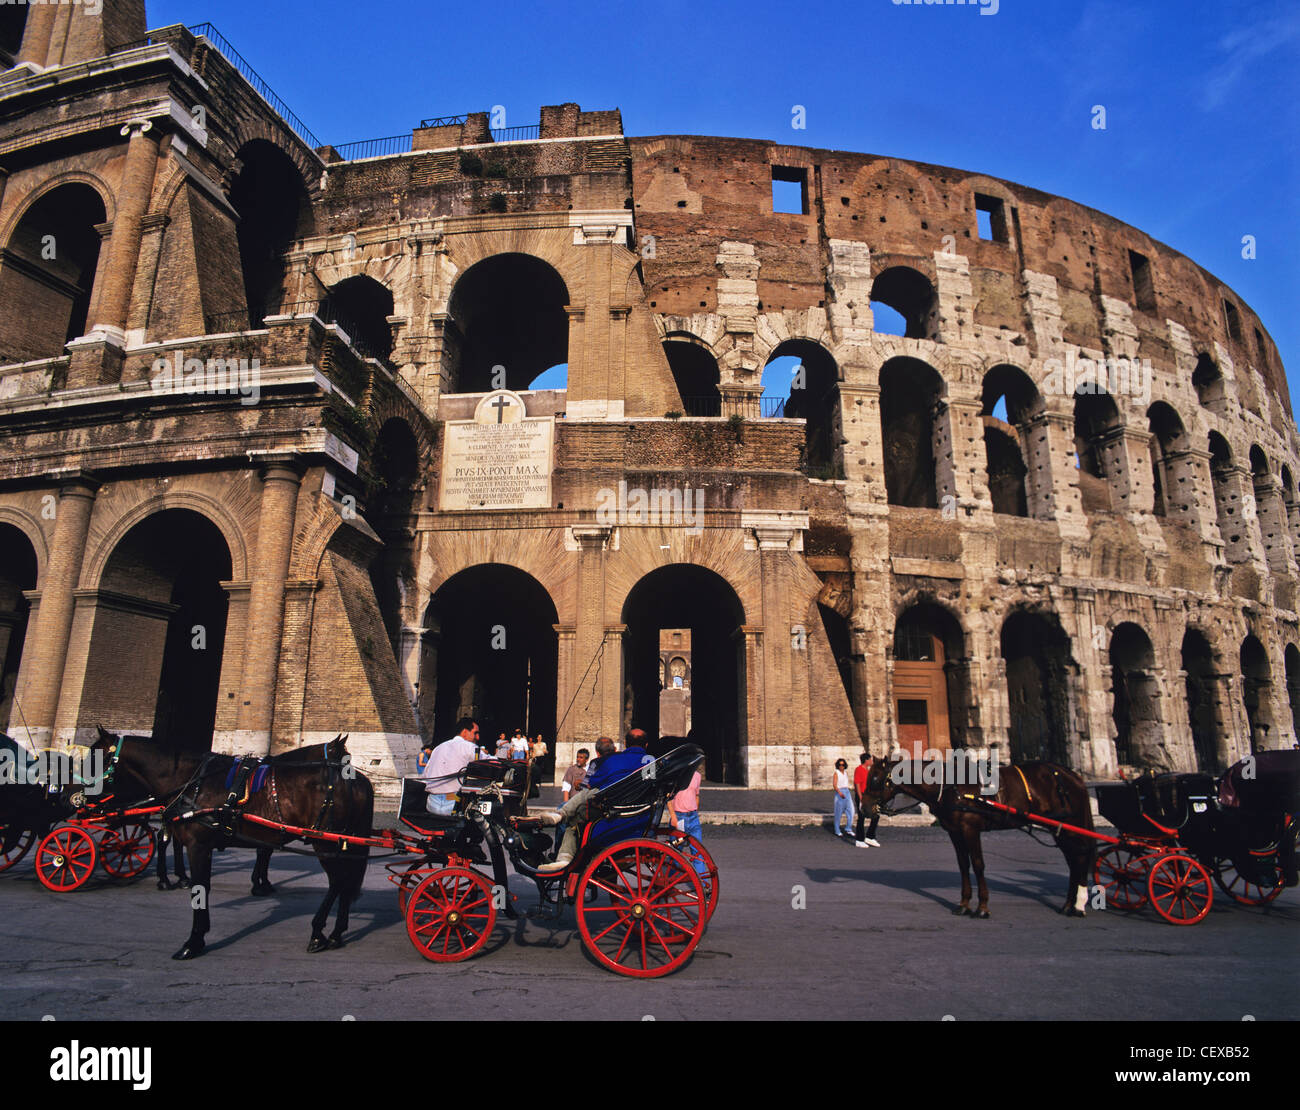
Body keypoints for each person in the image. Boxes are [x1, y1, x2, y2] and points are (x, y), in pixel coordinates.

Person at [534, 731, 652, 871]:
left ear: (625, 744)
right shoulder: (649, 760)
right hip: (641, 815)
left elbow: (592, 783)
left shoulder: (614, 760)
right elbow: (651, 783)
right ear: (646, 745)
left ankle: (564, 855)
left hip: (613, 814)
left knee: (577, 817)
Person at [420, 717, 480, 816]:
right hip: (453, 800)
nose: (478, 737)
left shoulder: (438, 748)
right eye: (475, 733)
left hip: (432, 803)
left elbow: (425, 776)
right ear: (465, 732)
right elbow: (492, 762)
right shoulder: (470, 747)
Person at [667, 761, 707, 876]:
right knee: (675, 851)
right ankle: (669, 881)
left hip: (693, 817)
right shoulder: (676, 776)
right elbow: (668, 798)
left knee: (698, 851)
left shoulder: (697, 776)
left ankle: (703, 885)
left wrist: (695, 811)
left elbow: (696, 795)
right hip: (679, 817)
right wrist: (673, 816)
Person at [853, 752, 881, 847]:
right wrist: (861, 798)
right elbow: (857, 784)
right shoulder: (859, 769)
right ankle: (859, 840)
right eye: (870, 760)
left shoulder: (868, 771)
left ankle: (870, 837)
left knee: (876, 815)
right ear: (866, 760)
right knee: (861, 817)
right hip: (862, 796)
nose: (871, 761)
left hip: (869, 796)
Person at [832, 758, 856, 840]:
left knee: (851, 811)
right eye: (840, 765)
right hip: (840, 792)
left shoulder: (846, 773)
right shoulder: (836, 773)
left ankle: (848, 828)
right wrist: (839, 792)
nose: (841, 766)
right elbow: (834, 784)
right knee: (838, 813)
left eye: (842, 765)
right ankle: (837, 830)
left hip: (847, 791)